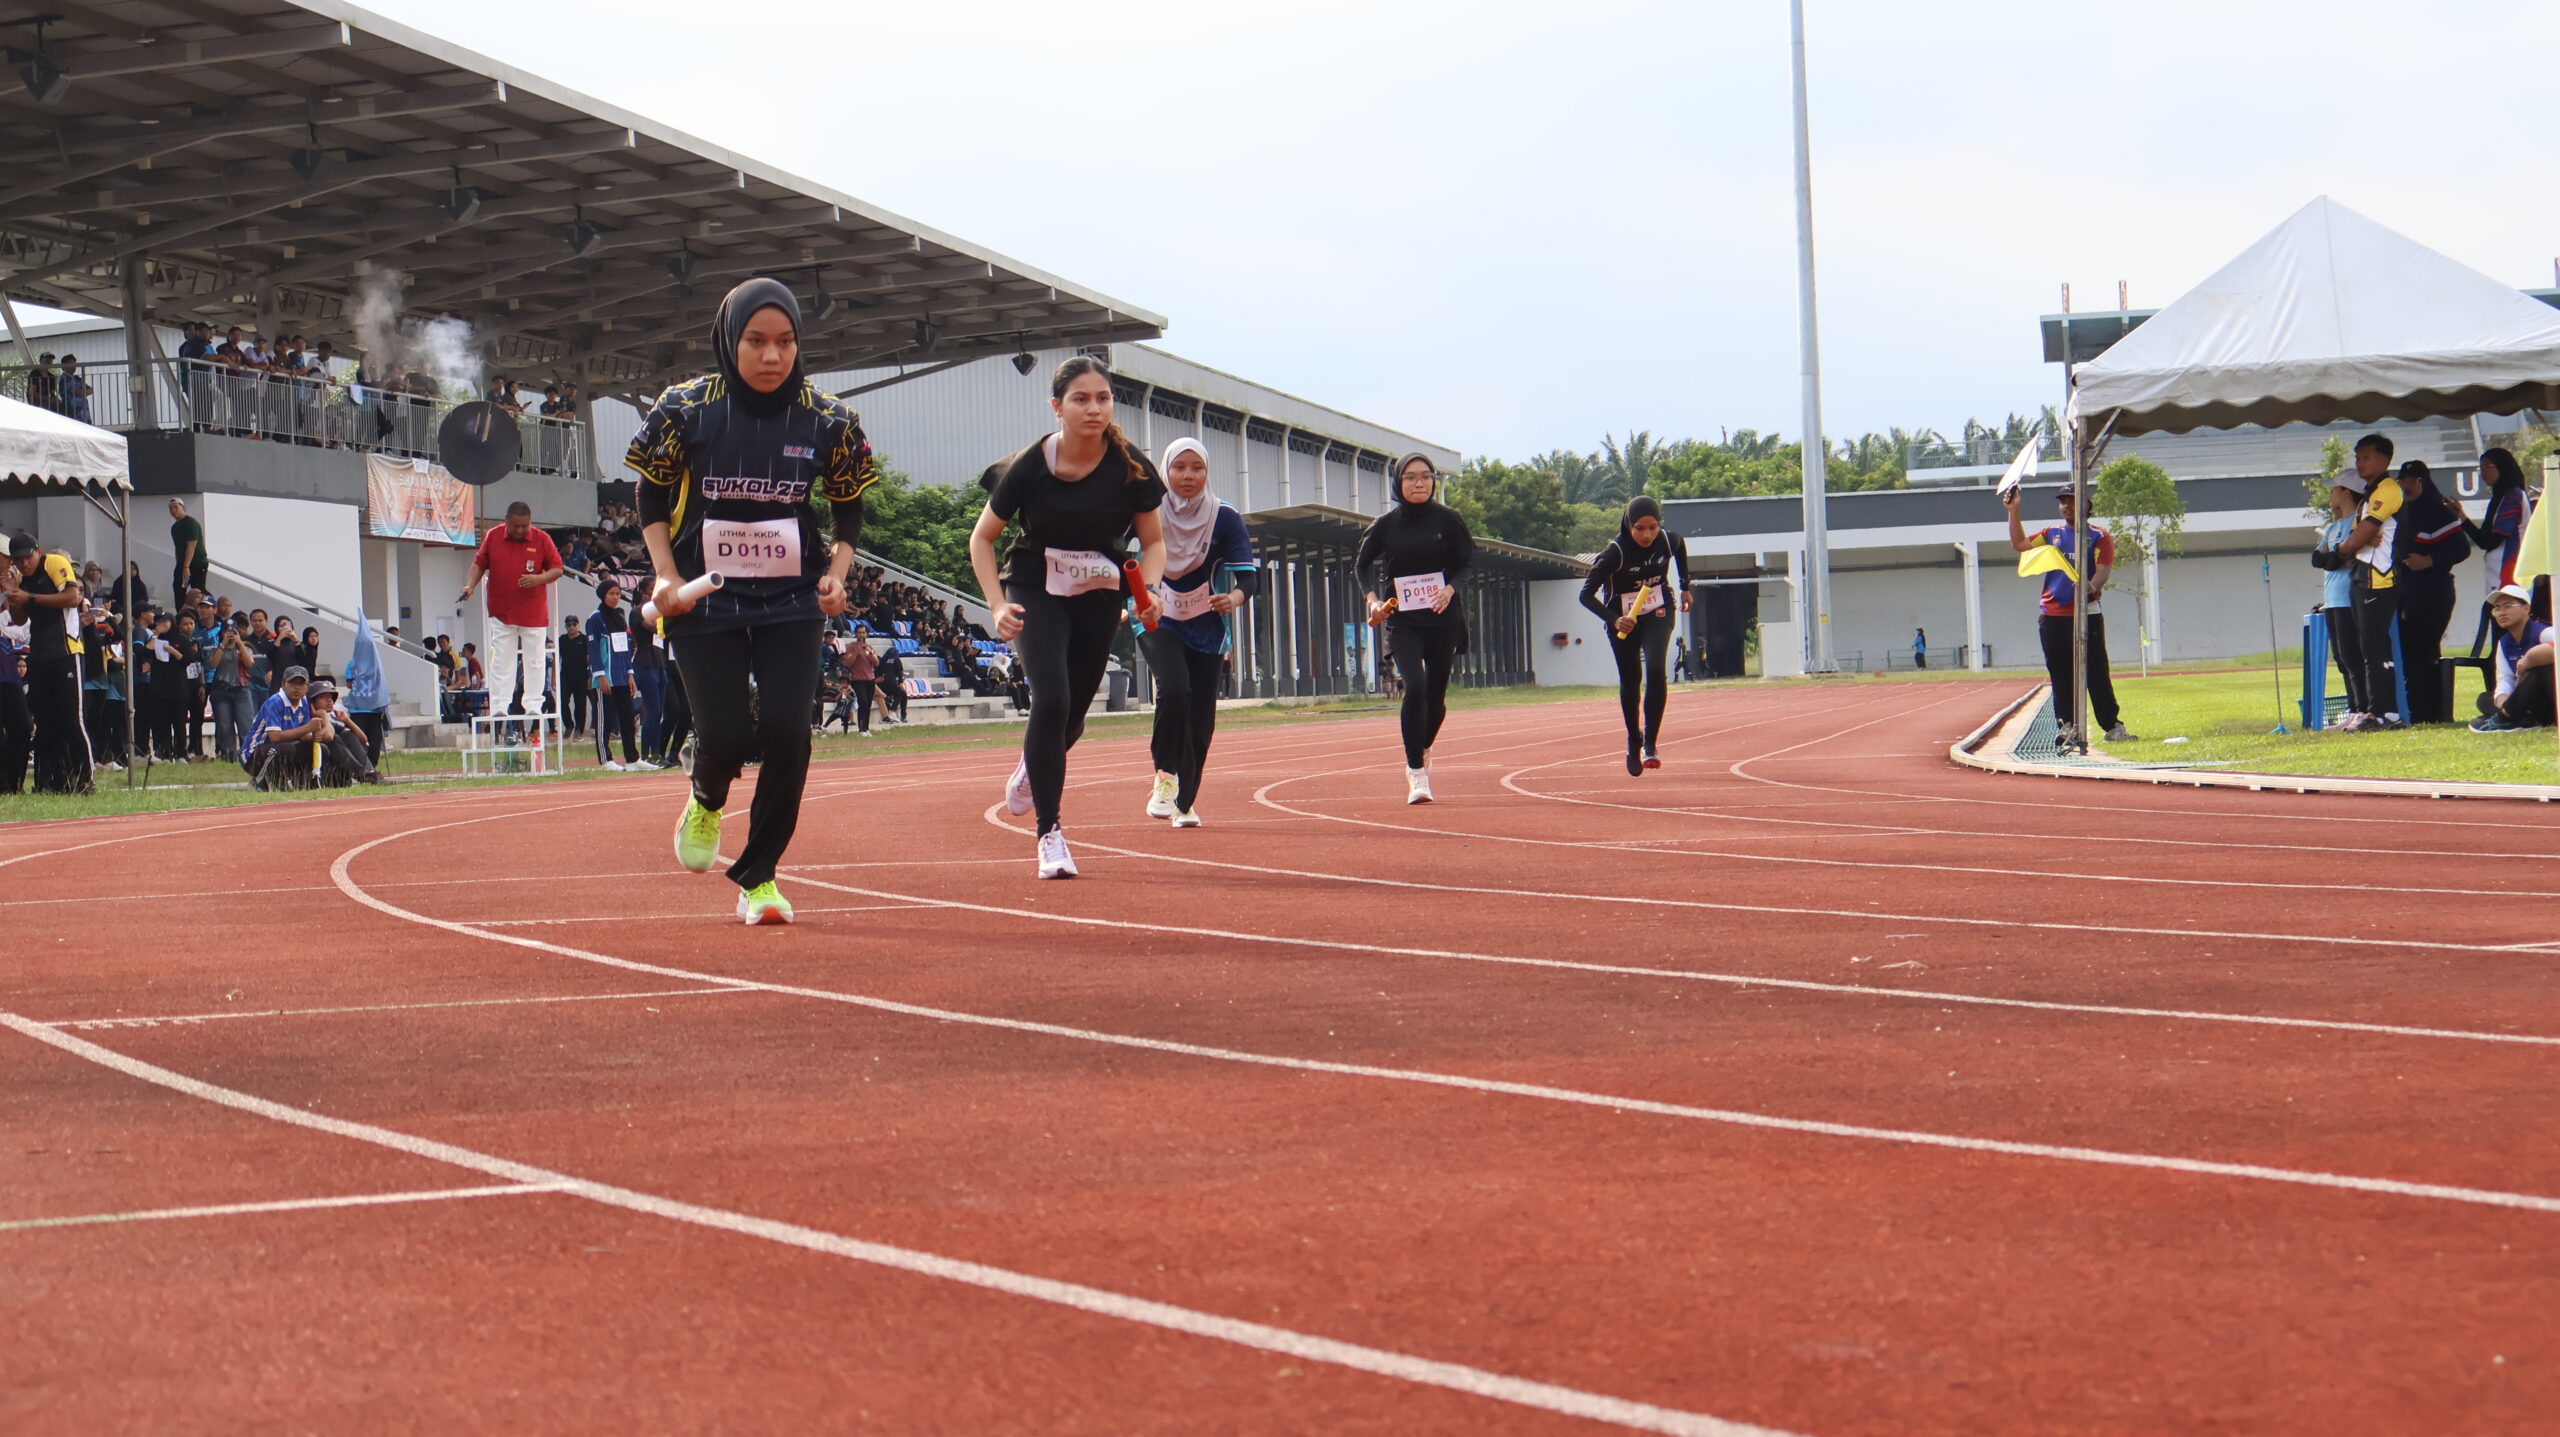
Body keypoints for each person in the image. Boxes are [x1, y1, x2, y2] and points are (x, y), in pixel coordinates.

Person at [629, 277, 878, 922]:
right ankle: (706, 797)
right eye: (756, 342)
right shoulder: (685, 407)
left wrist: (838, 572)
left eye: (786, 342)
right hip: (700, 594)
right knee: (726, 732)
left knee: (791, 731)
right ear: (728, 340)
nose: (772, 357)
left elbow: (848, 506)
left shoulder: (830, 419)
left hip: (791, 593)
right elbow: (651, 498)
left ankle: (760, 877)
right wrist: (661, 576)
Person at [968, 353, 1167, 878]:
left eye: (1102, 398)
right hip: (1037, 586)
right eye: (1080, 399)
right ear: (1057, 407)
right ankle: (1050, 835)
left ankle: (1031, 768)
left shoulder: (1131, 466)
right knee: (1050, 699)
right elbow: (981, 539)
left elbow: (1152, 543)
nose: (1093, 408)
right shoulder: (1032, 464)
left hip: (1099, 595)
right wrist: (995, 604)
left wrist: (1149, 592)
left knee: (1074, 715)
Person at [1140, 437, 1257, 827]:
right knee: (1174, 688)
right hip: (1155, 613)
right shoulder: (1146, 509)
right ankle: (1164, 778)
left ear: (1207, 472)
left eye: (1197, 468)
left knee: (1201, 716)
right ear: (1165, 469)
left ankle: (1185, 803)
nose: (1188, 476)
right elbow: (1118, 553)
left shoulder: (1224, 516)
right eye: (1179, 467)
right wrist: (1129, 598)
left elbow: (1248, 578)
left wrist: (1235, 598)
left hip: (1206, 622)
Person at [1357, 453, 1473, 803]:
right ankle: (1416, 773)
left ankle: (1422, 747)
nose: (1419, 483)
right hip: (1403, 621)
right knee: (1416, 688)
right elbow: (1362, 567)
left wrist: (1450, 589)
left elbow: (1466, 563)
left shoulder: (1449, 521)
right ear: (1398, 482)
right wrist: (1373, 600)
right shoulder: (1385, 525)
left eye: (1425, 476)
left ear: (1434, 481)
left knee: (1436, 701)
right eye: (1410, 477)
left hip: (1443, 620)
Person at [2005, 483, 2131, 745]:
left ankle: (2113, 727)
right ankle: (2067, 728)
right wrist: (2013, 509)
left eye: (2071, 501)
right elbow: (2019, 544)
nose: (2066, 506)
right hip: (2052, 616)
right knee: (2060, 674)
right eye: (2062, 501)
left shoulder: (2099, 536)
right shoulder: (2051, 534)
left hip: (2087, 614)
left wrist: (2091, 585)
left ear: (2086, 504)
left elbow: (2104, 569)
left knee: (2095, 672)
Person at [1577, 494, 1690, 776]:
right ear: (1628, 525)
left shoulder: (1666, 540)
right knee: (1631, 679)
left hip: (1658, 611)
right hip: (1623, 621)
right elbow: (1585, 596)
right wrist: (1614, 620)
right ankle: (1633, 738)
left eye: (1652, 527)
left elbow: (1681, 546)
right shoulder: (1615, 553)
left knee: (1654, 668)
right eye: (1639, 528)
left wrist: (1685, 584)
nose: (1647, 534)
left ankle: (1650, 743)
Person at [460, 501, 565, 728]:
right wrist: (470, 586)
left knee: (535, 659)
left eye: (525, 526)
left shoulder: (542, 539)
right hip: (501, 611)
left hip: (533, 612)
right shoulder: (493, 536)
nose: (520, 530)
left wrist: (538, 579)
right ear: (506, 521)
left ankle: (534, 703)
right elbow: (479, 564)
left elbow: (557, 569)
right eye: (516, 526)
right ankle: (499, 704)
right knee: (501, 659)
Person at [4, 533, 93, 794]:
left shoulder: (53, 563)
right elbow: (19, 619)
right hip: (40, 653)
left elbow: (72, 597)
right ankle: (57, 778)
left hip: (66, 650)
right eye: (18, 560)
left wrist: (29, 597)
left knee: (71, 719)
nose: (24, 564)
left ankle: (85, 777)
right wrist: (13, 596)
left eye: (27, 557)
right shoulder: (20, 579)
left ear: (38, 551)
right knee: (46, 721)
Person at [2333, 435, 2408, 730]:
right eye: (2357, 458)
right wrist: (2351, 546)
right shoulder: (2369, 493)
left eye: (2365, 457)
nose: (2359, 463)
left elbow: (2358, 539)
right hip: (2362, 577)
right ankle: (2378, 711)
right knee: (2369, 648)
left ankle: (2384, 713)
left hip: (2379, 579)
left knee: (2376, 648)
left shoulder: (2387, 490)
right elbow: (2356, 542)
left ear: (2384, 460)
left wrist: (2343, 547)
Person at [2393, 460, 2471, 724]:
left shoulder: (2438, 512)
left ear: (2422, 482)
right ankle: (2415, 711)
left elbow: (2461, 549)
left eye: (2410, 480)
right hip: (2405, 590)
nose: (2405, 486)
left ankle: (2430, 714)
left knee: (2423, 653)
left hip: (2432, 591)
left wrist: (2429, 560)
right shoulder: (2402, 513)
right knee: (2409, 653)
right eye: (2401, 480)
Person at [2309, 473, 2370, 725]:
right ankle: (2352, 707)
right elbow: (2318, 559)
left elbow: (2336, 560)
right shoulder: (2334, 527)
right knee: (2342, 659)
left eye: (2334, 489)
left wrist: (2333, 557)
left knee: (2354, 656)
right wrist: (2335, 556)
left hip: (2348, 597)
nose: (2330, 494)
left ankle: (2363, 709)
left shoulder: (2356, 523)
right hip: (2332, 599)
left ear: (2346, 492)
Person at [2471, 583, 2554, 731]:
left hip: (2550, 697)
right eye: (2497, 608)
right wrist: (2502, 701)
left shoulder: (2544, 632)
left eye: (2508, 606)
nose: (2502, 612)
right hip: (2525, 699)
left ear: (2526, 609)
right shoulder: (2504, 643)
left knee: (2537, 671)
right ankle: (2515, 715)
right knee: (2485, 699)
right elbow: (2505, 678)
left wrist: (2529, 659)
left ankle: (2512, 717)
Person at [585, 579, 639, 770]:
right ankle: (605, 759)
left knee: (627, 717)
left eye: (618, 593)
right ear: (603, 595)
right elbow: (593, 649)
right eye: (611, 594)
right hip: (605, 678)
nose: (616, 597)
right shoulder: (595, 618)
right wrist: (600, 676)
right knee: (605, 719)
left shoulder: (619, 617)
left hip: (622, 677)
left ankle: (632, 759)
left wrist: (630, 673)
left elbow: (626, 648)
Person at [2467, 448, 2534, 591]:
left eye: (2487, 466)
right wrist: (2461, 517)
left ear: (2502, 466)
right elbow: (2484, 541)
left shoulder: (2513, 497)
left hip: (2509, 575)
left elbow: (2491, 540)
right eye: (2481, 467)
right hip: (2498, 575)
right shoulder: (2499, 498)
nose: (2483, 471)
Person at [0, 605, 27, 793]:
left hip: (8, 674)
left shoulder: (9, 607)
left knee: (23, 727)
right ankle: (3, 786)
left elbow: (24, 632)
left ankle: (15, 782)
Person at [835, 623, 879, 735]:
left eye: (863, 632)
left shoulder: (869, 647)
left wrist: (869, 653)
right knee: (863, 702)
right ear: (856, 634)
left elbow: (876, 663)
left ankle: (866, 728)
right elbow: (848, 664)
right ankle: (861, 729)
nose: (861, 635)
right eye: (859, 632)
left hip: (870, 679)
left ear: (866, 634)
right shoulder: (851, 646)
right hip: (857, 679)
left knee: (868, 704)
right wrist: (856, 650)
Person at [166, 498, 209, 603]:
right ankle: (182, 613)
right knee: (180, 588)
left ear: (183, 508)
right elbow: (178, 548)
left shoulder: (190, 523)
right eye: (171, 508)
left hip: (196, 564)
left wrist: (186, 567)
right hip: (183, 565)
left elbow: (191, 547)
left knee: (198, 588)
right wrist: (180, 565)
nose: (173, 510)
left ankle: (211, 606)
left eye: (176, 507)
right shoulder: (175, 528)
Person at [557, 615, 589, 737]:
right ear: (565, 626)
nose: (571, 627)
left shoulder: (584, 639)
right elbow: (557, 658)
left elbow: (589, 659)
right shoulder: (562, 640)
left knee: (580, 704)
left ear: (578, 625)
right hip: (565, 675)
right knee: (563, 702)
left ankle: (579, 729)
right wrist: (555, 676)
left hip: (581, 676)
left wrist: (590, 676)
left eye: (574, 625)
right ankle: (569, 725)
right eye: (569, 625)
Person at [56, 355, 91, 424]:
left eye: (74, 364)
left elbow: (90, 389)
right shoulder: (65, 378)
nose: (73, 366)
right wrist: (84, 392)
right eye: (70, 363)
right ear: (64, 366)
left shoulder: (77, 378)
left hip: (82, 412)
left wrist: (83, 392)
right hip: (72, 411)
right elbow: (77, 392)